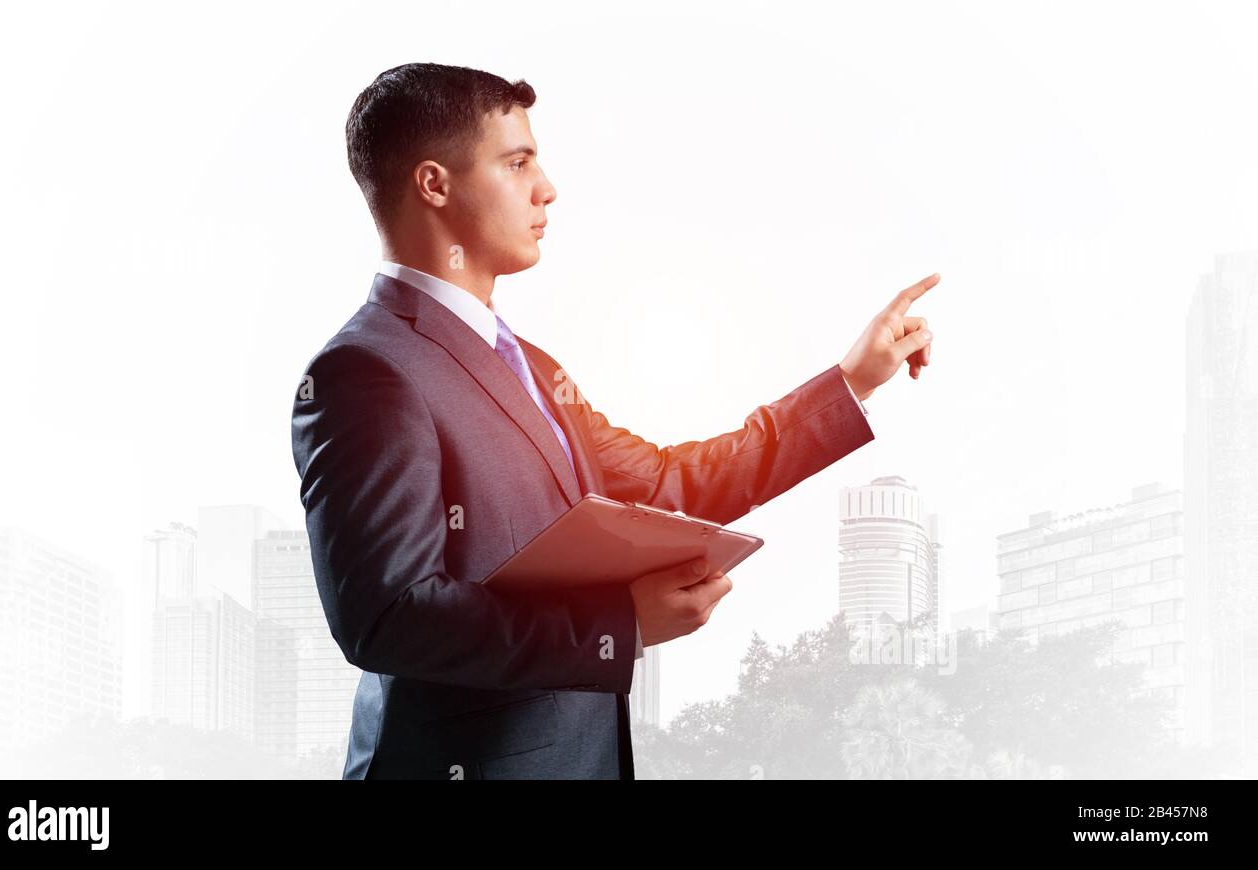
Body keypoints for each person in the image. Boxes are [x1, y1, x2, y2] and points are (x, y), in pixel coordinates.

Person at [291, 62, 937, 779]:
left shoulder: (531, 366)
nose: (547, 188)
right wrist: (616, 629)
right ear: (434, 184)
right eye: (517, 162)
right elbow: (388, 617)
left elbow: (664, 483)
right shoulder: (367, 372)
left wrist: (852, 382)